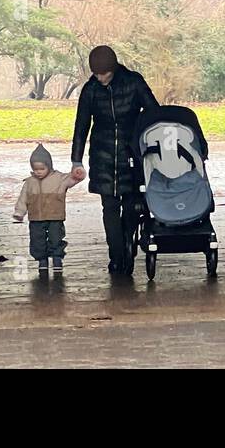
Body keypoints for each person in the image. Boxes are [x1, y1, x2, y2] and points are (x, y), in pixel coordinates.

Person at [70, 44, 159, 275]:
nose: (101, 79)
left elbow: (153, 112)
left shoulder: (134, 82)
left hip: (132, 153)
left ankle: (127, 246)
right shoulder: (90, 90)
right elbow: (82, 125)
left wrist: (154, 145)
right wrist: (76, 160)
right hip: (102, 154)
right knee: (109, 207)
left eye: (105, 74)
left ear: (114, 68)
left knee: (132, 205)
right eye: (97, 74)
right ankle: (117, 255)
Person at [13, 143, 81, 273]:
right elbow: (23, 199)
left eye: (42, 168)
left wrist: (78, 173)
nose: (38, 172)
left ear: (49, 166)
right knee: (37, 241)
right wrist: (19, 212)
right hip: (36, 218)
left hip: (55, 217)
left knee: (56, 239)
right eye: (35, 169)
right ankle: (42, 260)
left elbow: (74, 178)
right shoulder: (29, 182)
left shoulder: (59, 178)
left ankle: (57, 259)